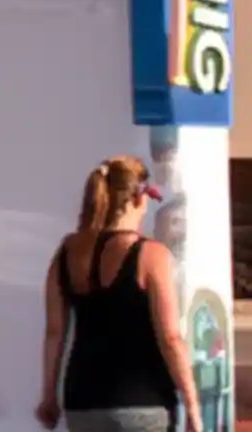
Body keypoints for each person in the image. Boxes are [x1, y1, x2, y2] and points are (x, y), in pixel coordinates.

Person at [35, 156, 202, 432]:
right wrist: (193, 405)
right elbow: (170, 338)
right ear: (138, 199)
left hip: (82, 401)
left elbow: (55, 332)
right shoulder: (151, 255)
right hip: (144, 402)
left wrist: (49, 396)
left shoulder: (67, 253)